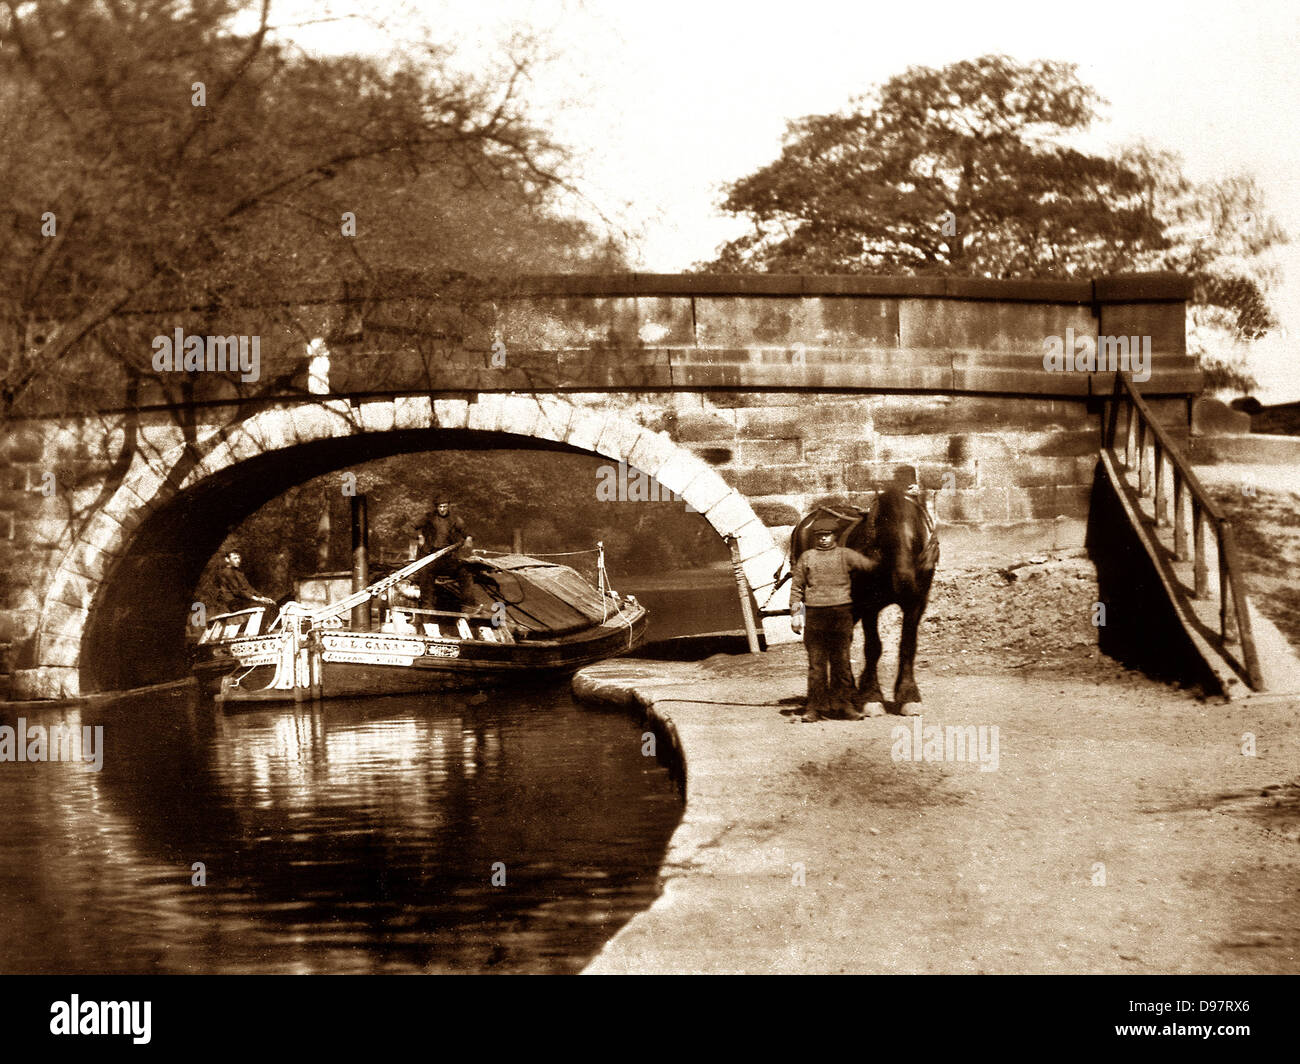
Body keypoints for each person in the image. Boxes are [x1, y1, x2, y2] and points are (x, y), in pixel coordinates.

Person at [789, 517, 878, 723]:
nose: (823, 540)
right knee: (816, 665)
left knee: (842, 663)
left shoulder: (846, 556)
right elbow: (796, 588)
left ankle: (844, 705)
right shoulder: (807, 557)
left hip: (841, 615)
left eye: (827, 536)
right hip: (815, 616)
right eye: (819, 536)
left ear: (835, 536)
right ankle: (814, 708)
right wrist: (795, 615)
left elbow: (871, 568)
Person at [415, 500, 473, 605]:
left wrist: (468, 537)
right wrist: (419, 536)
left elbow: (465, 530)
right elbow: (411, 526)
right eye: (440, 507)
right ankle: (426, 607)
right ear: (436, 507)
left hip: (448, 558)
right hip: (431, 557)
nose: (442, 509)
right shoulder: (429, 517)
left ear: (448, 506)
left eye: (445, 507)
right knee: (425, 574)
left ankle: (468, 605)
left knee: (465, 573)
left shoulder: (455, 519)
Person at [213, 548, 276, 615]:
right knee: (263, 607)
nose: (238, 560)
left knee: (271, 604)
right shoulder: (227, 572)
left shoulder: (238, 573)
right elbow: (237, 591)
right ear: (227, 559)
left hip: (240, 601)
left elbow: (248, 588)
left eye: (239, 558)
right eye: (235, 558)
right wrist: (258, 599)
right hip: (232, 603)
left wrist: (262, 597)